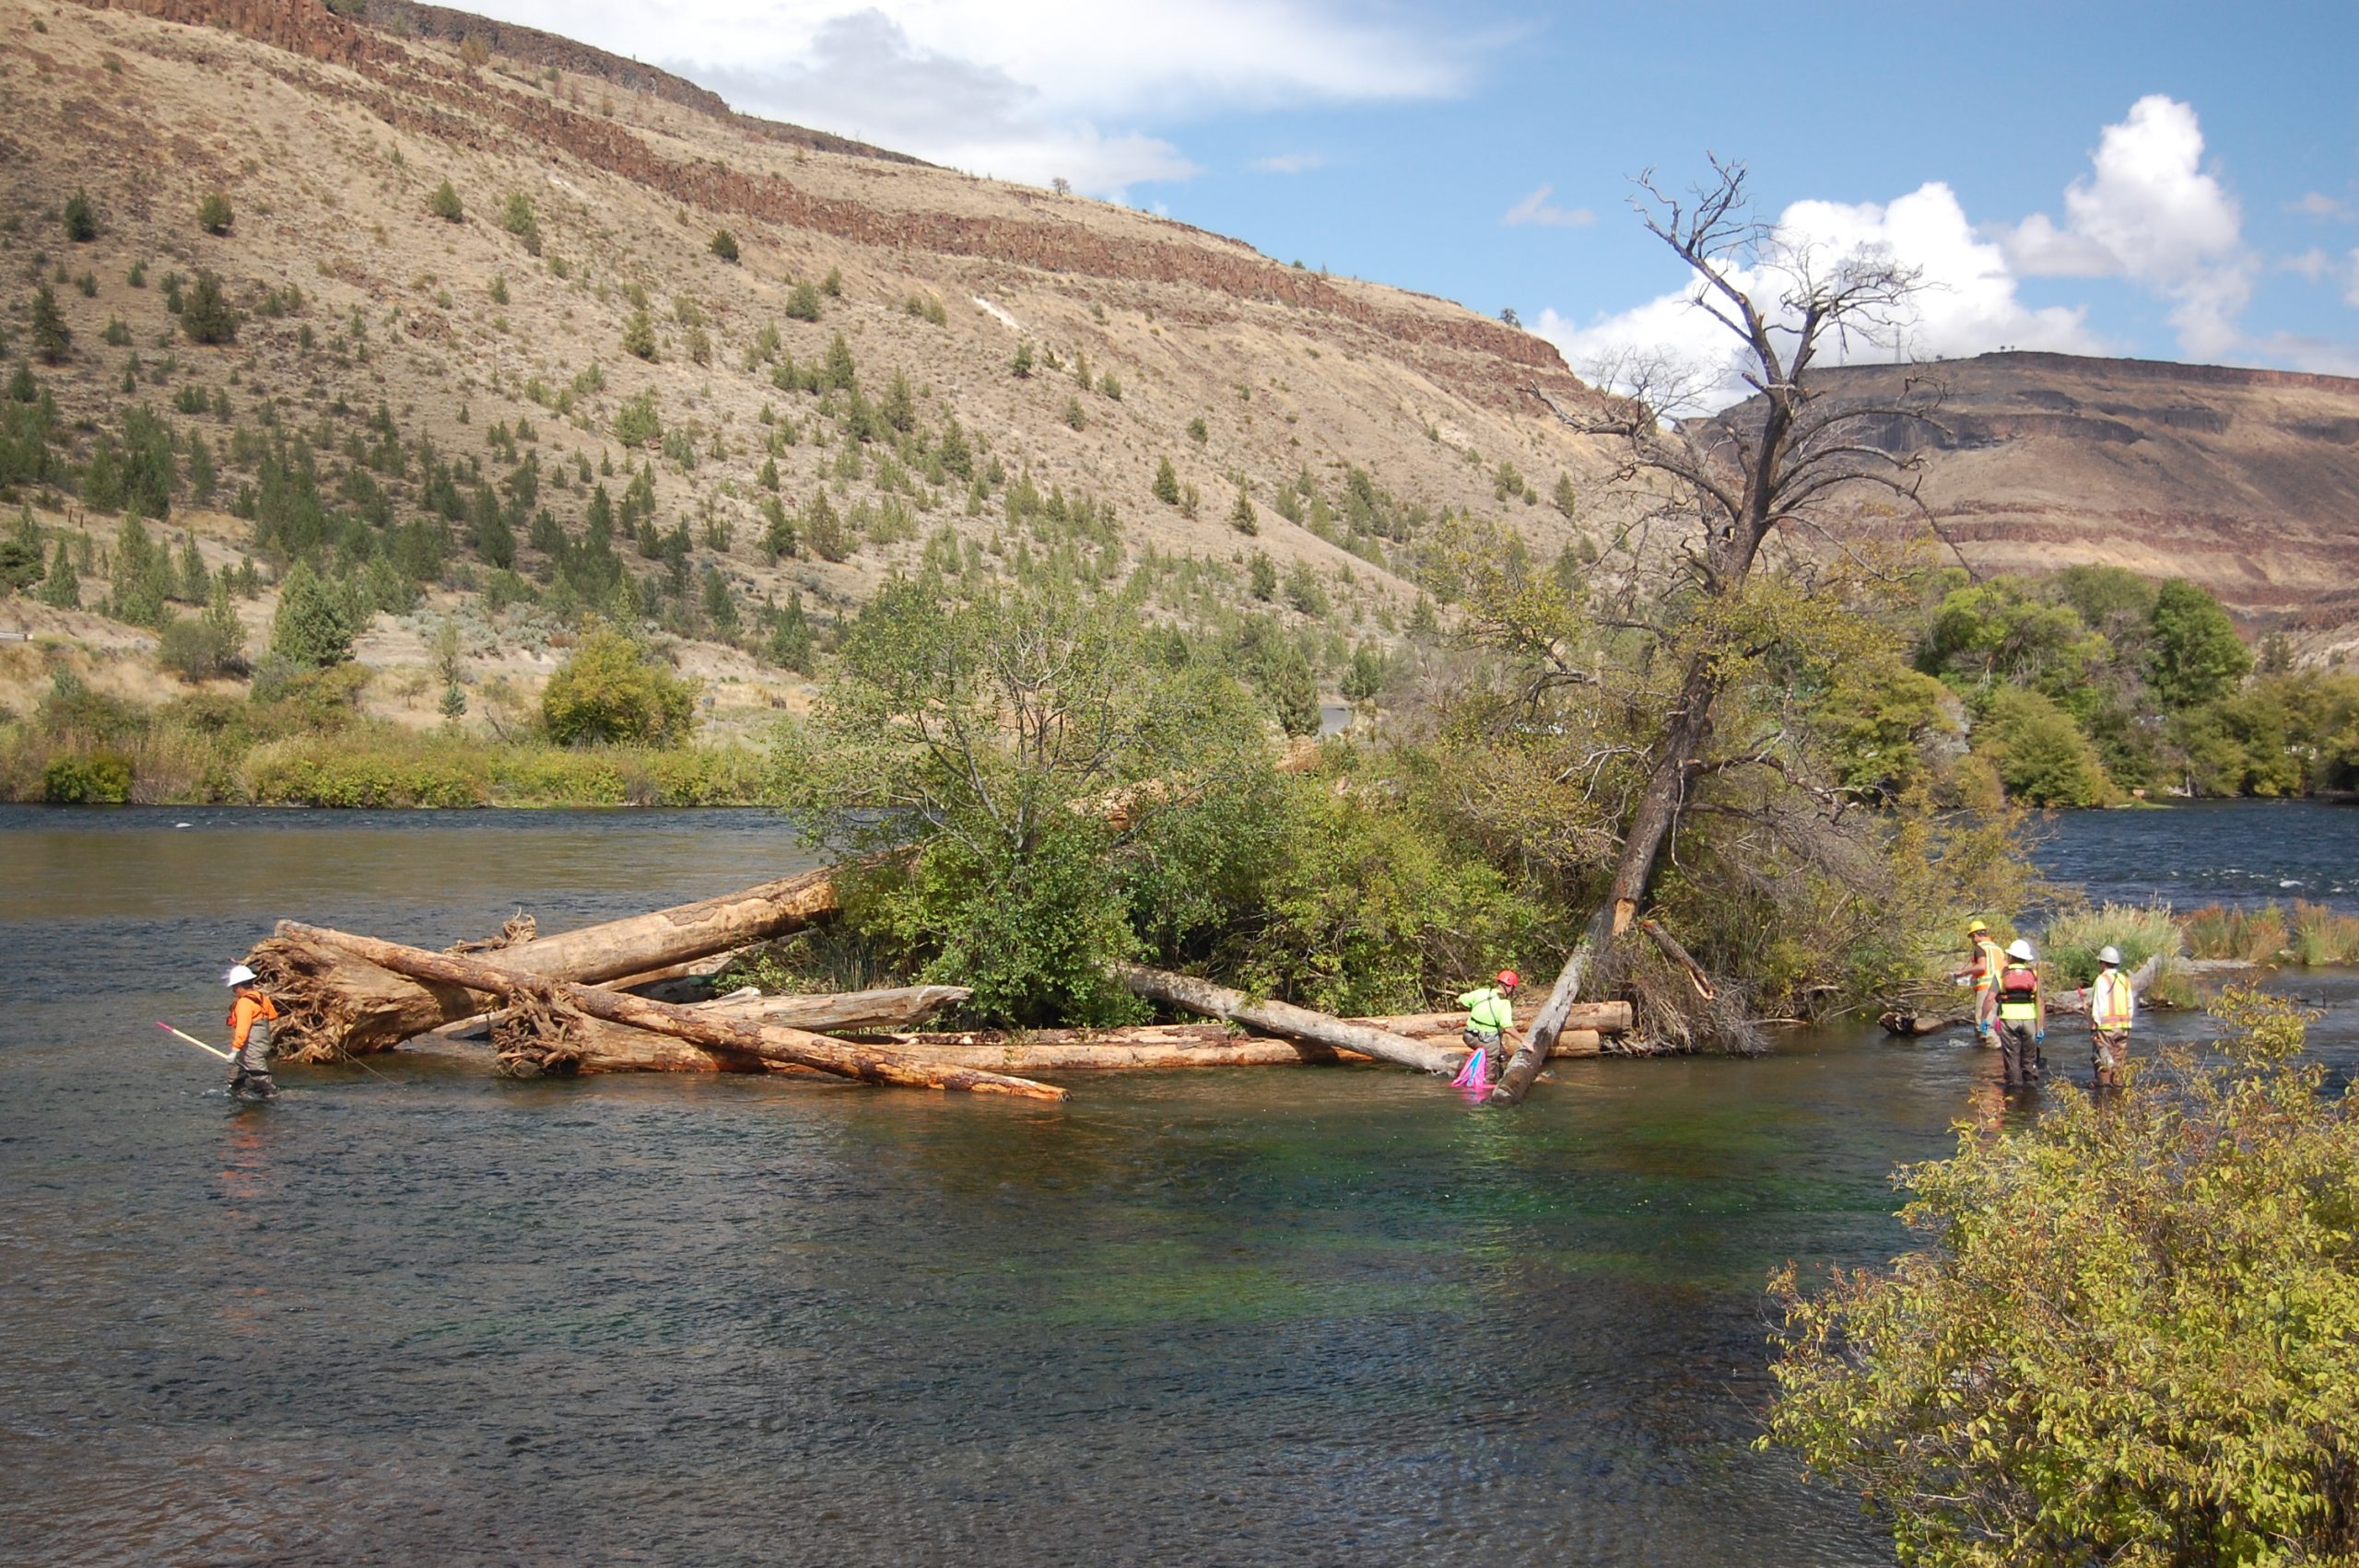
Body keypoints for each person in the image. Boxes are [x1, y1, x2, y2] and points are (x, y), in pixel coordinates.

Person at [1992, 938, 2046, 1090]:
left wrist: (1984, 1020)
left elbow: (1990, 998)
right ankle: (2030, 1087)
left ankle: (2014, 1088)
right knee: (2029, 1057)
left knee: (2012, 1057)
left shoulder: (2001, 974)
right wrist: (2040, 1027)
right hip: (2029, 1020)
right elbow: (2040, 1002)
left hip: (2008, 1020)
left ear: (2011, 956)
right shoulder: (2034, 975)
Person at [223, 963, 280, 1102]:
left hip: (251, 1047)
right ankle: (239, 1093)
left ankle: (272, 1097)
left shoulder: (244, 1004)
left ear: (239, 986)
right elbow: (272, 1015)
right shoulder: (261, 997)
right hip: (261, 1042)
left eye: (234, 987)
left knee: (259, 1076)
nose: (234, 991)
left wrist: (235, 1050)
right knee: (236, 1073)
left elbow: (242, 1030)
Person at [1453, 969, 1520, 1086]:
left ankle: (1502, 1063)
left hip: (1469, 1036)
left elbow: (1458, 1000)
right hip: (1487, 1041)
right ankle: (1488, 1080)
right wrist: (1525, 1042)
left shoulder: (1481, 993)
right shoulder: (1504, 1004)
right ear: (1510, 987)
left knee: (1499, 1050)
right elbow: (1508, 1027)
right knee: (1492, 1053)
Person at [2083, 944, 2135, 1090]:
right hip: (2123, 1028)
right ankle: (2118, 1090)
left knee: (2104, 1060)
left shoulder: (2101, 980)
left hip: (2105, 1028)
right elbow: (2130, 1005)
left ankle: (2104, 1091)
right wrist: (2127, 1024)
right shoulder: (2124, 979)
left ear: (2103, 963)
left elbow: (2098, 1006)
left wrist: (2094, 1028)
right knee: (2119, 1061)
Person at [1950, 919, 2006, 1045]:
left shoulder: (1980, 948)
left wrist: (1963, 972)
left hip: (1986, 988)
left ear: (1975, 936)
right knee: (1990, 1021)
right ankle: (1984, 1050)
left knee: (1983, 1024)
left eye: (1971, 937)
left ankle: (1994, 1051)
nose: (1972, 940)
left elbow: (1982, 967)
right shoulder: (1997, 948)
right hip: (2000, 988)